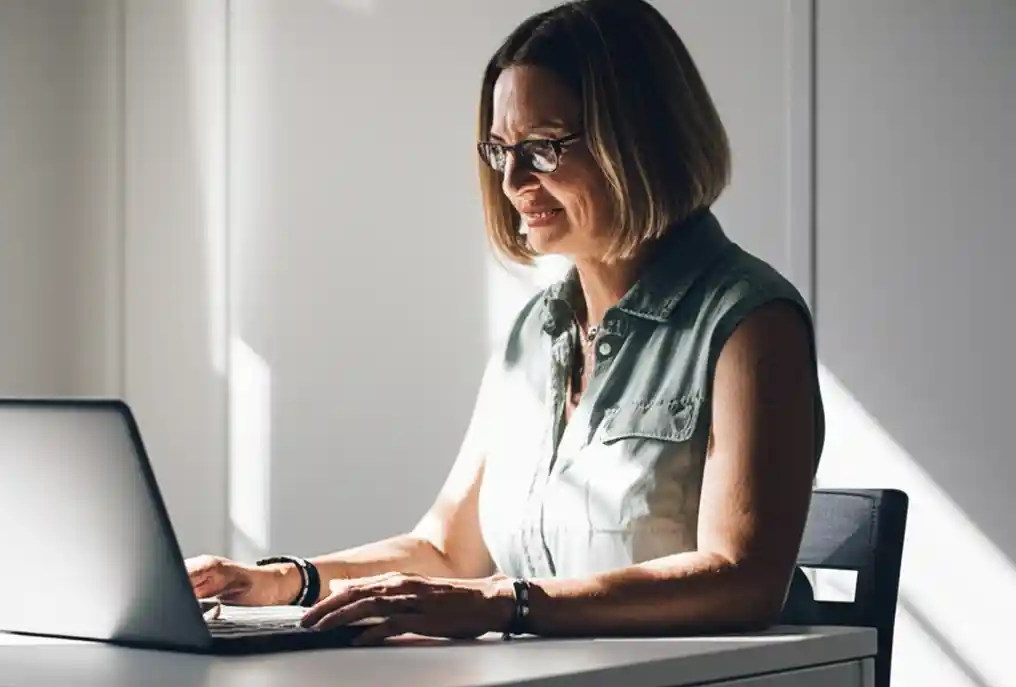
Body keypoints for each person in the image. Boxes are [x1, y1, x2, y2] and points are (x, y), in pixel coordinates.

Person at [186, 0, 822, 645]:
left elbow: (740, 579)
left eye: (544, 147)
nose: (513, 179)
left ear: (644, 141)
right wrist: (279, 581)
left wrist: (505, 604)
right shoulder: (535, 334)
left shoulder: (751, 322)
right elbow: (445, 553)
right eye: (501, 149)